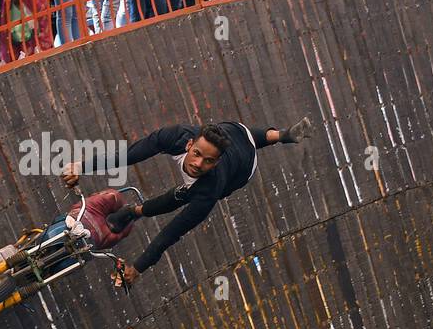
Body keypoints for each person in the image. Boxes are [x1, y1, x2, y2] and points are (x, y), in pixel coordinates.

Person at [59, 117, 314, 285]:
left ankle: (134, 211)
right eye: (196, 154)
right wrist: (81, 166)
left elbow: (172, 231)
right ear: (189, 143)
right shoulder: (176, 136)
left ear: (217, 161)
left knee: (179, 197)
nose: (197, 164)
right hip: (235, 129)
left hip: (242, 169)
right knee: (254, 136)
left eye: (208, 161)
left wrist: (138, 267)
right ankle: (283, 135)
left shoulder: (210, 189)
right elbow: (129, 155)